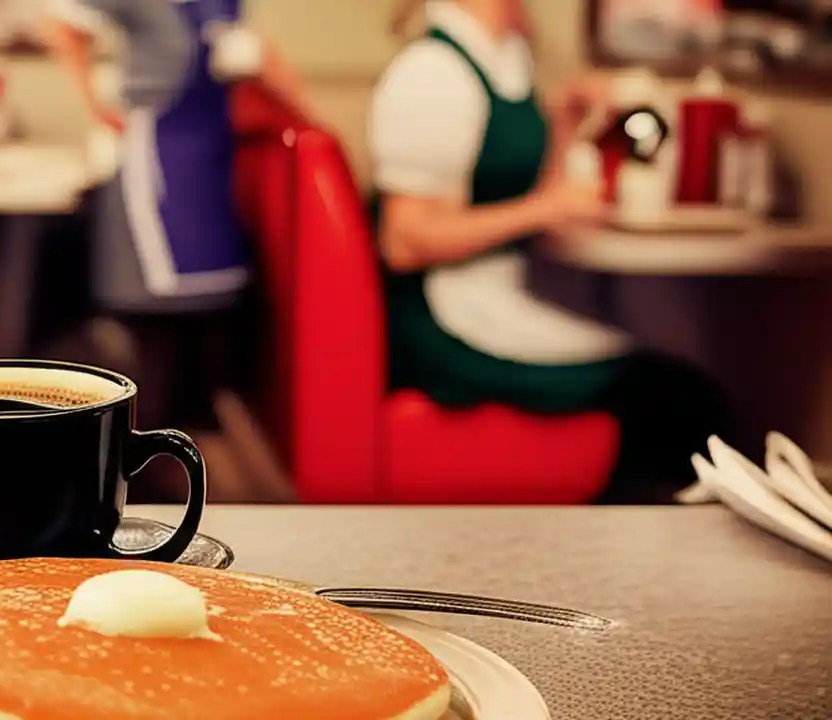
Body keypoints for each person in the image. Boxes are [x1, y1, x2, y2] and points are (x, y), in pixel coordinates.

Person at [371, 0, 732, 501]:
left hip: (494, 294)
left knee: (679, 391)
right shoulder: (433, 72)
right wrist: (544, 209)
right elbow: (405, 241)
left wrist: (563, 123)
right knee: (675, 403)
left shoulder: (506, 58)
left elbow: (530, 196)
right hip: (442, 319)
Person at [47, 0, 308, 432]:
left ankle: (205, 448)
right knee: (157, 319)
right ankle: (151, 453)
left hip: (209, 162)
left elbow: (256, 58)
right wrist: (95, 102)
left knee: (213, 324)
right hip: (158, 169)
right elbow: (62, 22)